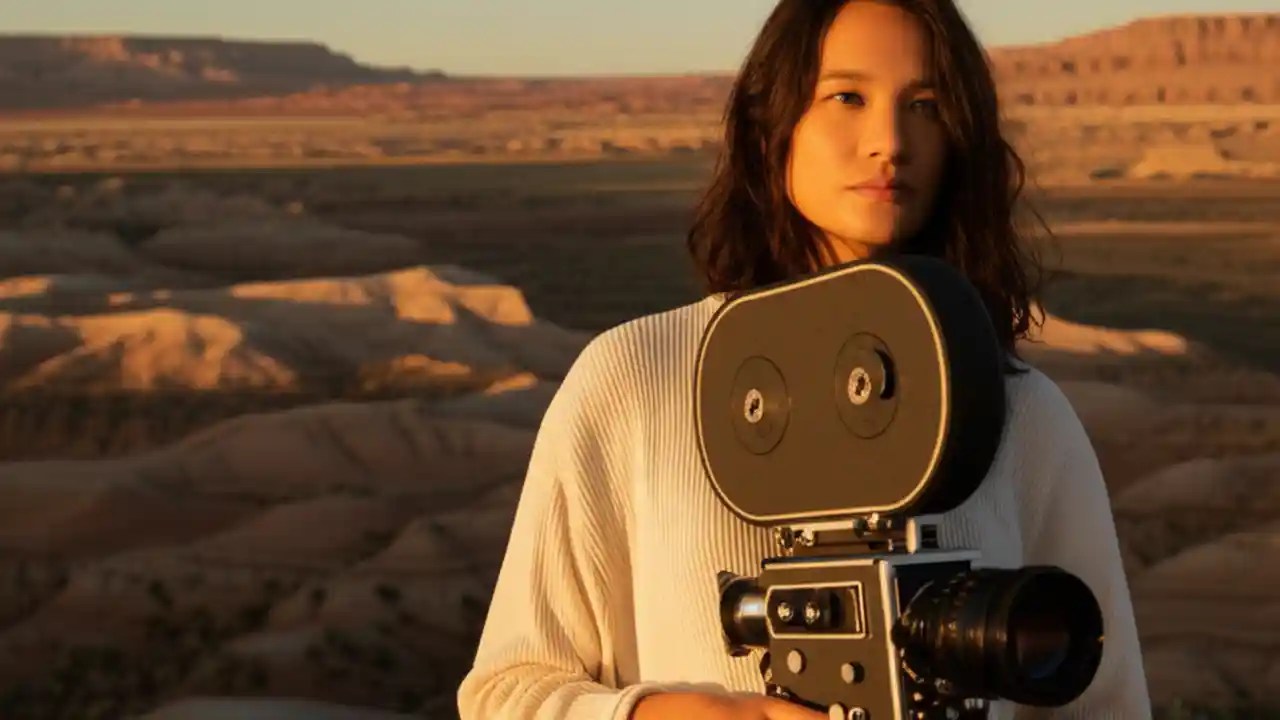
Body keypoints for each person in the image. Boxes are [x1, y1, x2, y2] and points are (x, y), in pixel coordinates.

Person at [457, 0, 1153, 718]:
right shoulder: (637, 379)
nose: (889, 140)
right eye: (846, 97)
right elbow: (505, 693)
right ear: (772, 124)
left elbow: (1107, 704)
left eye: (925, 105)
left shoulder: (1016, 412)